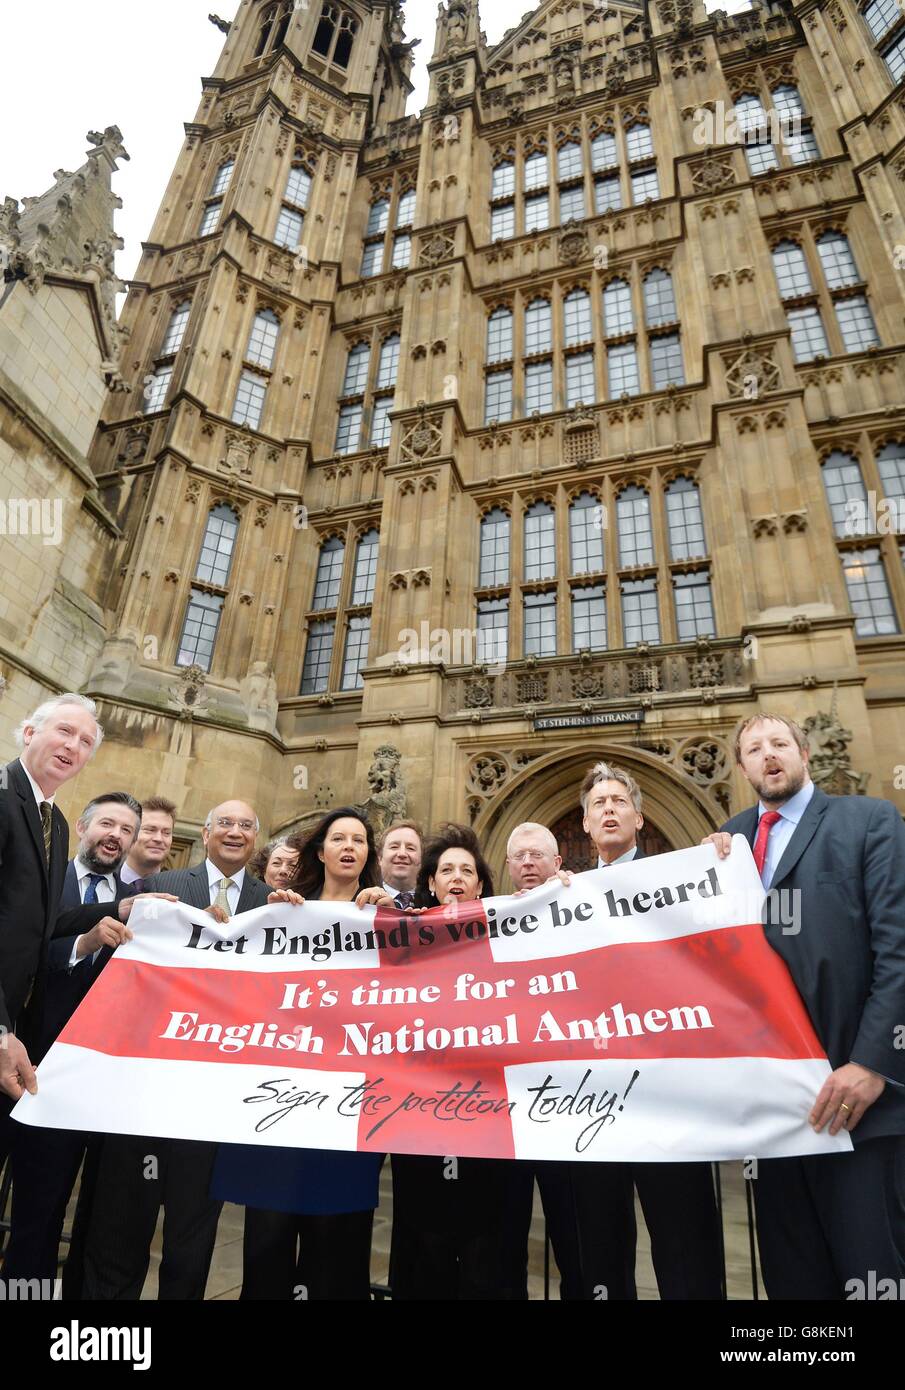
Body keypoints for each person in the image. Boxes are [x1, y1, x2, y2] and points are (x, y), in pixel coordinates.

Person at [704, 713, 905, 1300]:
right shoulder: (729, 841)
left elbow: (898, 950)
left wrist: (872, 1064)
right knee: (797, 1287)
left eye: (779, 744)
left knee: (871, 1278)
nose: (768, 756)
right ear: (741, 768)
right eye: (754, 749)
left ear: (804, 752)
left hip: (860, 1108)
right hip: (776, 1118)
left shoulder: (868, 821)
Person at [535, 763, 724, 1301]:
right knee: (600, 1246)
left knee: (684, 1240)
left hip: (668, 1094)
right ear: (586, 824)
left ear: (639, 819)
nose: (609, 809)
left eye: (619, 801)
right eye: (599, 804)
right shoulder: (560, 897)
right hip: (593, 1099)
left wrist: (722, 855)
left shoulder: (682, 882)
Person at [81, 800, 272, 1300]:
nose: (235, 832)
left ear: (256, 839)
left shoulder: (276, 905)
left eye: (246, 826)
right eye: (225, 823)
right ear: (205, 833)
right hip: (146, 1088)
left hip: (213, 1100)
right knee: (121, 1227)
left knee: (192, 1237)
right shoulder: (159, 889)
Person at [210, 808, 388, 1300]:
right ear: (321, 851)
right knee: (267, 1239)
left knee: (337, 1245)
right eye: (338, 838)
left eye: (359, 839)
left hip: (347, 1104)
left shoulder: (387, 915)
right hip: (278, 1101)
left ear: (368, 854)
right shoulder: (282, 912)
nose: (349, 846)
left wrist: (392, 914)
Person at [3, 793, 142, 1288]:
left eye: (127, 830)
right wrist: (84, 942)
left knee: (41, 1216)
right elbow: (20, 953)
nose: (115, 836)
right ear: (81, 825)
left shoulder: (142, 904)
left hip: (71, 1086)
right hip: (11, 1057)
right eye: (107, 823)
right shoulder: (38, 879)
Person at [390, 823, 533, 1300]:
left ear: (479, 885)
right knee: (425, 1244)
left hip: (488, 1116)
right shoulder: (401, 936)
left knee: (484, 1250)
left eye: (466, 871)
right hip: (419, 1115)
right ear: (430, 882)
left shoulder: (506, 936)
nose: (456, 877)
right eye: (446, 869)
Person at [0, 694, 103, 1110]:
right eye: (64, 731)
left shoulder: (56, 823)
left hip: (19, 1028)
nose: (72, 746)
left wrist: (121, 910)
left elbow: (43, 918)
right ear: (29, 733)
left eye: (84, 742)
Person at [119, 796, 177, 891]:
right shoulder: (100, 879)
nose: (159, 839)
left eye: (166, 833)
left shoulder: (179, 890)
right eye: (150, 830)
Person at [377, 820, 423, 910]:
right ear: (379, 858)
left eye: (410, 848)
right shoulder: (364, 901)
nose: (402, 854)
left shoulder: (436, 903)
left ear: (422, 859)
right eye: (394, 847)